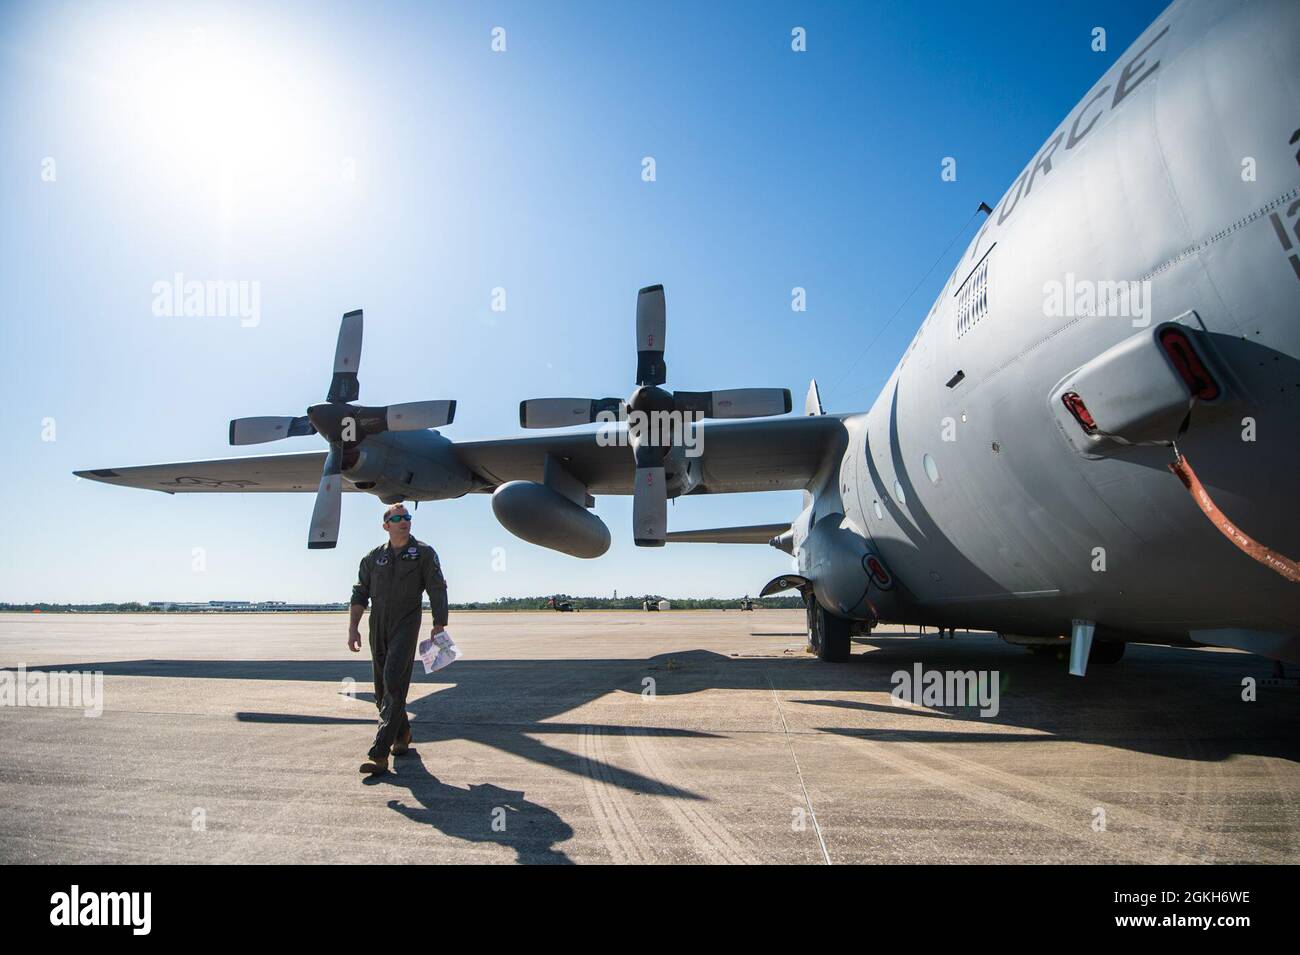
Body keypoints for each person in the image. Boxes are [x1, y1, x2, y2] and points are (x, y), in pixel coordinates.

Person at [347, 503, 449, 774]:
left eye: (407, 517)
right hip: (377, 624)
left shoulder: (424, 553)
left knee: (393, 682)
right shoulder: (372, 558)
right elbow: (360, 594)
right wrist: (353, 627)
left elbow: (437, 589)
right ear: (386, 526)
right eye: (398, 518)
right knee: (381, 690)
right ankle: (402, 734)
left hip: (406, 623)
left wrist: (439, 624)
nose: (404, 521)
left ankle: (379, 753)